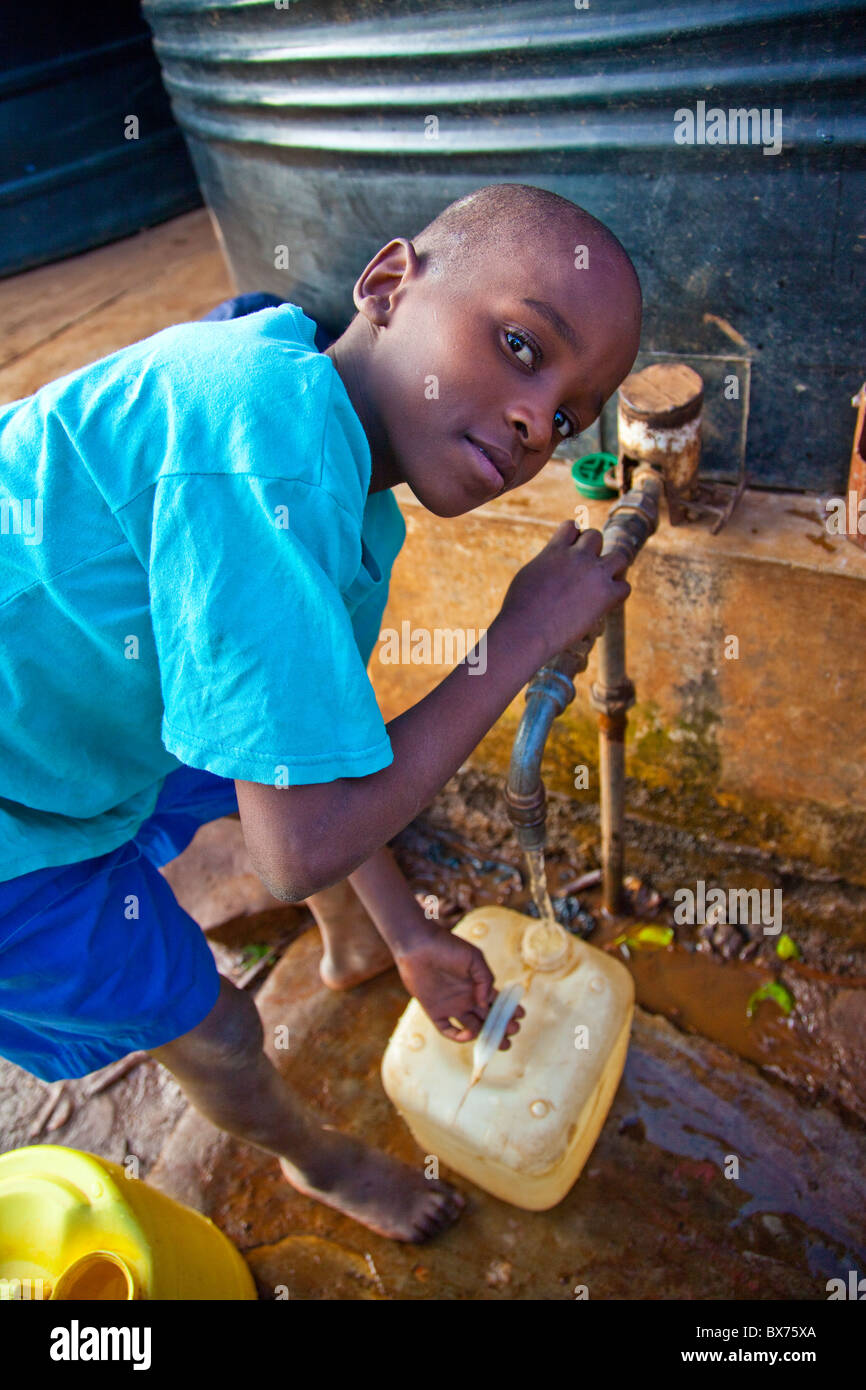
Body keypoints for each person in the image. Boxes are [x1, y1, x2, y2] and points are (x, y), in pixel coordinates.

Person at [0, 183, 641, 1242]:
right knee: (214, 1027)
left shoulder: (339, 476)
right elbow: (294, 850)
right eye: (523, 346)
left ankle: (362, 949)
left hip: (82, 697)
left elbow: (320, 770)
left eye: (569, 415)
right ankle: (323, 1165)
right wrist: (516, 636)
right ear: (389, 284)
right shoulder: (258, 439)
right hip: (19, 821)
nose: (538, 422)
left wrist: (409, 940)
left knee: (307, 758)